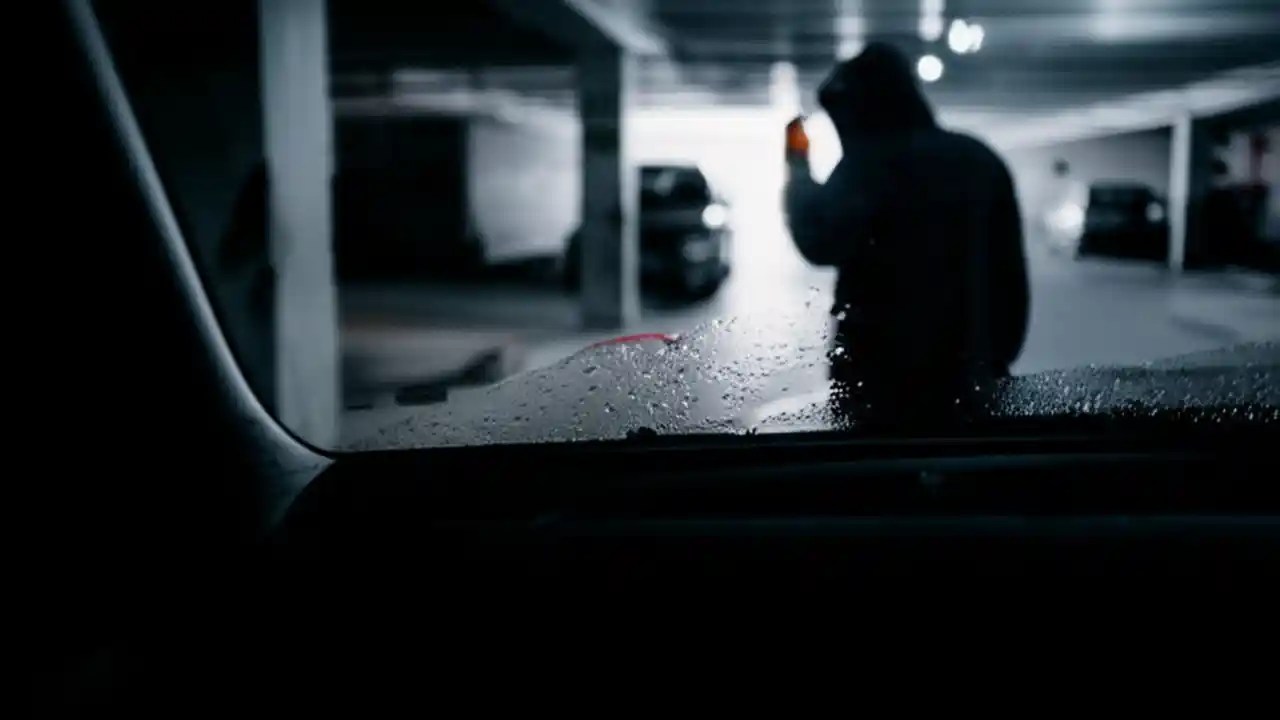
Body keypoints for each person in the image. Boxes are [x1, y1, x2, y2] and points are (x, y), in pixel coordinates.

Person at [784, 43, 1028, 426]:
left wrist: (798, 167)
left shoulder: (871, 167)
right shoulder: (979, 160)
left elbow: (817, 237)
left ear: (859, 110)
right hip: (973, 381)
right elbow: (1010, 286)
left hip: (877, 388)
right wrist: (990, 360)